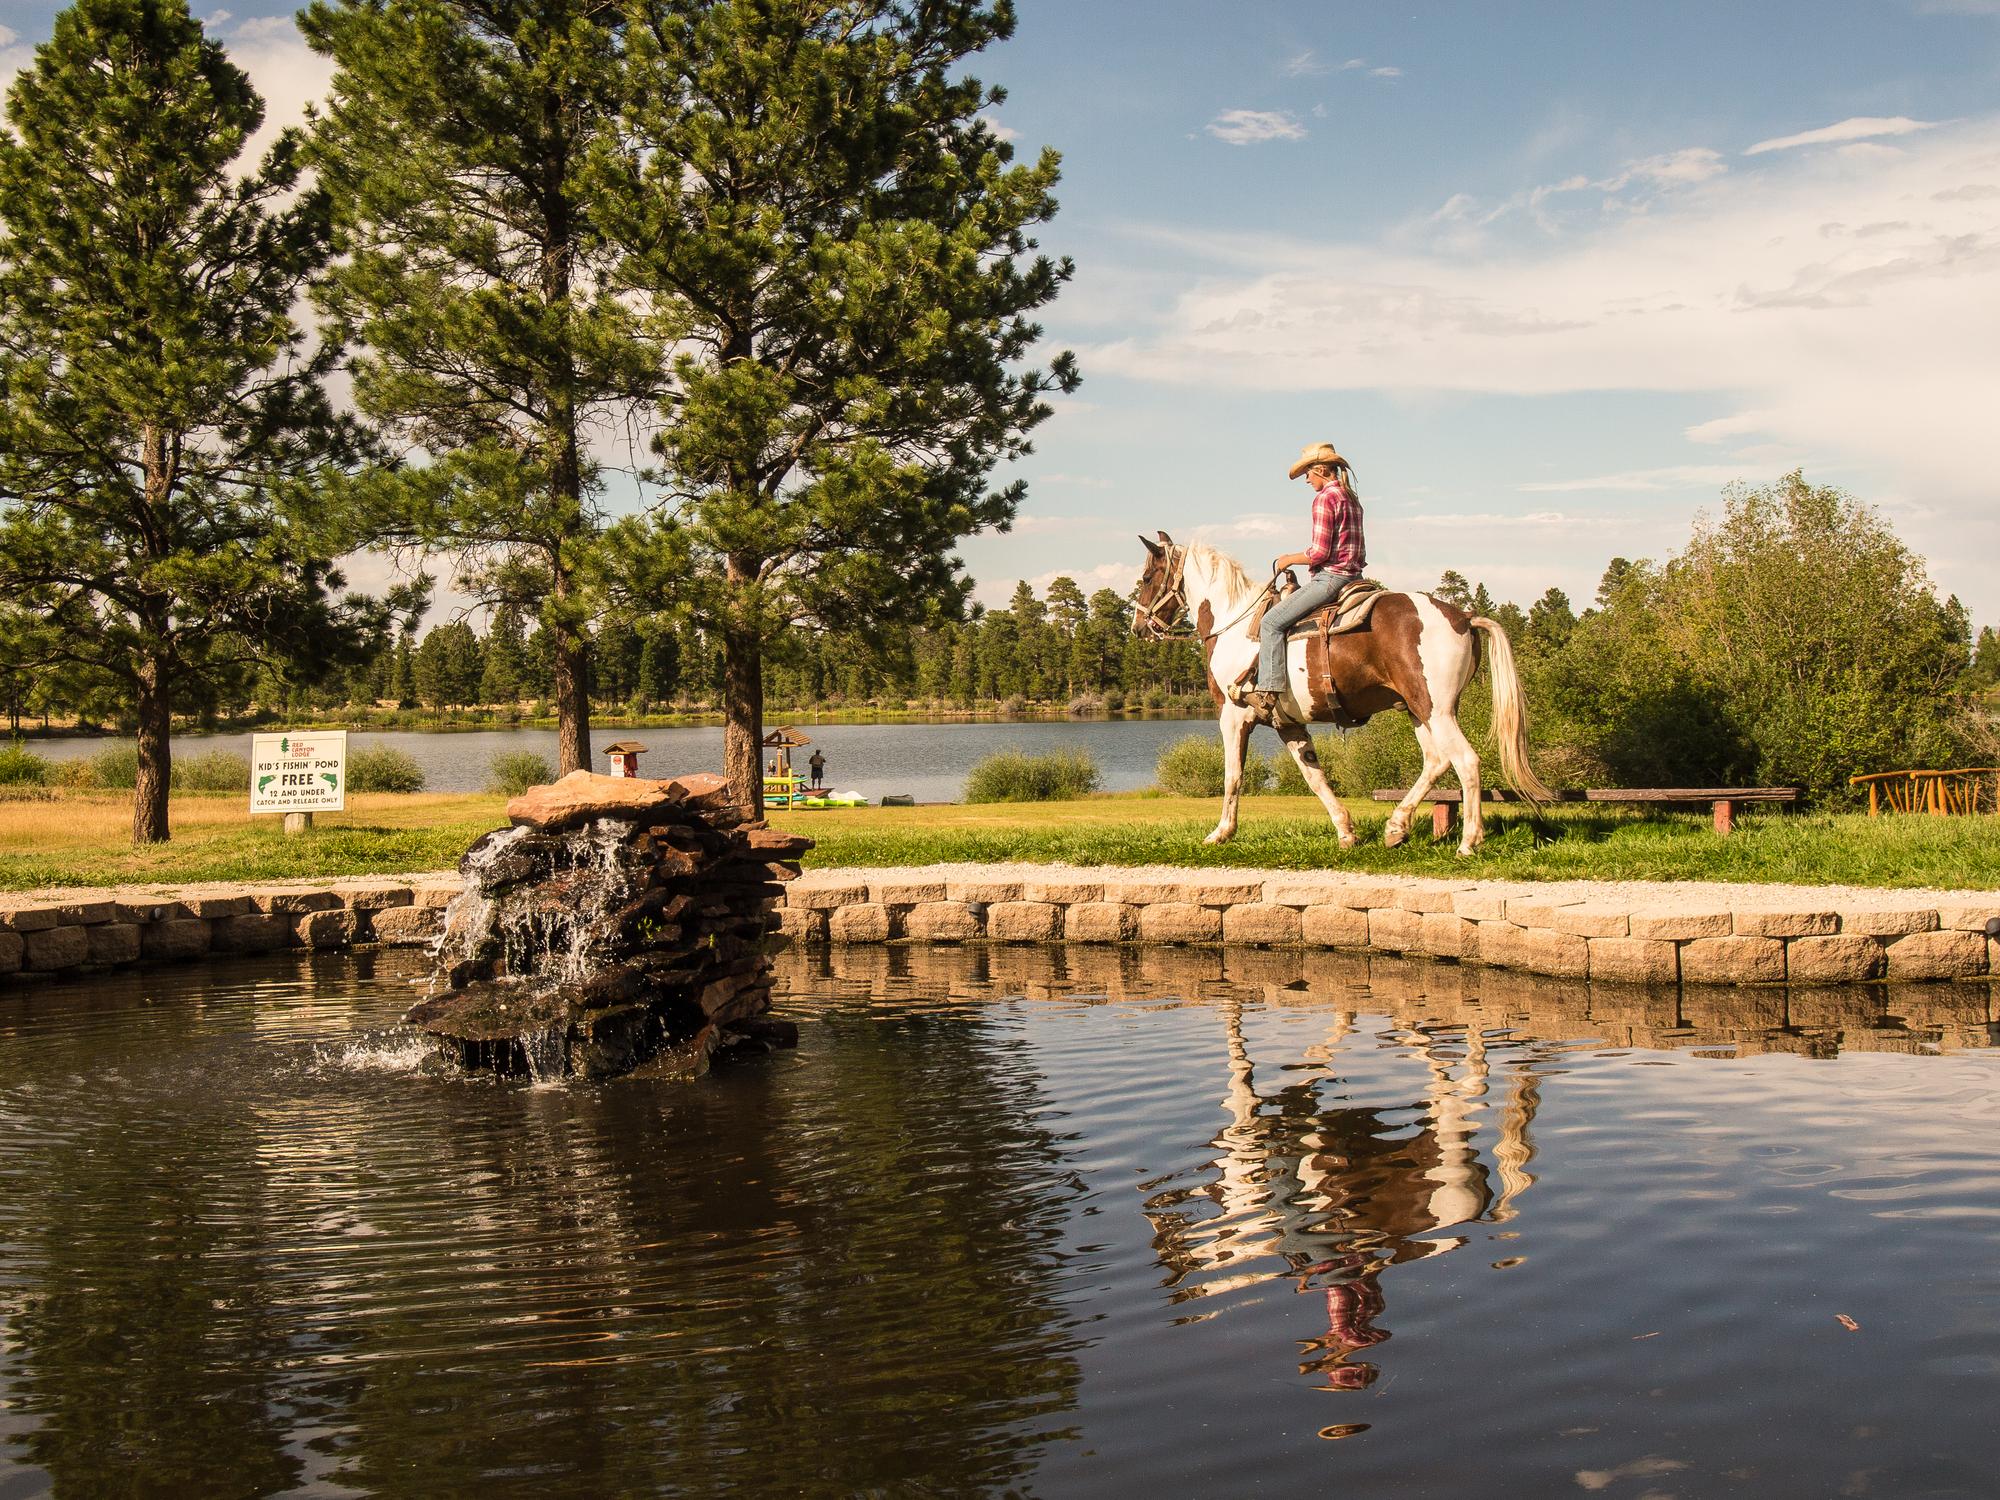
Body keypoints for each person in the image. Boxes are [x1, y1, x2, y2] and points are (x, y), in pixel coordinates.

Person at [1228, 441, 1366, 720]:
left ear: (1321, 470)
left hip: (1331, 578)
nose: (1306, 479)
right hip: (1355, 576)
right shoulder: (1351, 497)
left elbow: (1319, 552)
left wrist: (1288, 559)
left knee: (1271, 622)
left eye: (1308, 472)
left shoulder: (1325, 498)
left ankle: (1268, 691)